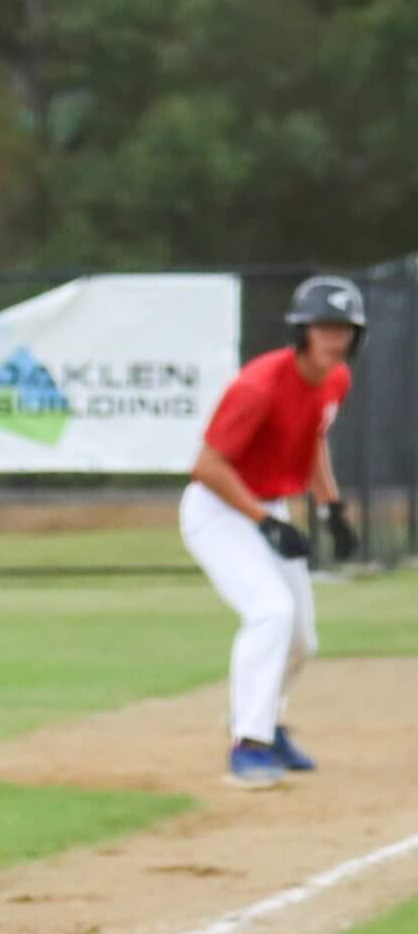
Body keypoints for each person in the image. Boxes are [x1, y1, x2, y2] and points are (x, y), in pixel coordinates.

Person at [179, 275, 365, 790]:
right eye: (324, 327)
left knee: (302, 638)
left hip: (266, 508)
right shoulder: (259, 386)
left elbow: (313, 442)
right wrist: (264, 523)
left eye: (344, 328)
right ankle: (249, 745)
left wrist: (331, 507)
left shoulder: (335, 380)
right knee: (270, 612)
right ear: (301, 331)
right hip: (218, 509)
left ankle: (264, 719)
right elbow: (207, 466)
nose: (335, 337)